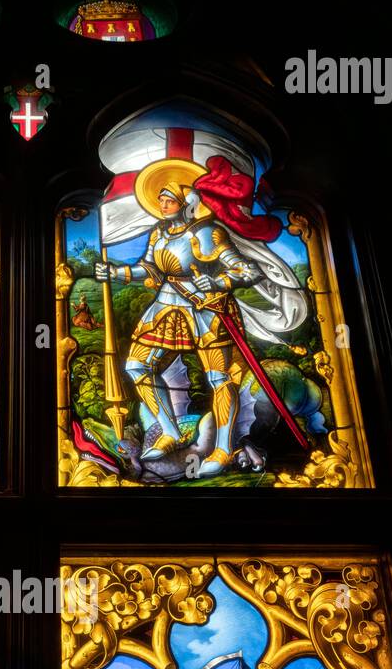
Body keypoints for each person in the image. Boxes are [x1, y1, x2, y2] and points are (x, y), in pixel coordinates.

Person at [96, 155, 306, 475]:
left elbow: (244, 269)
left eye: (169, 200)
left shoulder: (207, 235)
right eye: (161, 199)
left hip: (206, 308)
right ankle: (169, 431)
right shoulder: (159, 234)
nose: (162, 204)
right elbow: (150, 271)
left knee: (218, 379)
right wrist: (117, 272)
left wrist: (218, 280)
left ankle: (223, 449)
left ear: (185, 204)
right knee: (136, 365)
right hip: (166, 307)